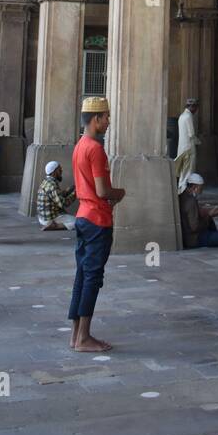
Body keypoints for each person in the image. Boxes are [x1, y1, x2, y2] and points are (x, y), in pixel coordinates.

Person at [68, 96, 125, 352]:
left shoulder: (80, 145)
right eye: (106, 117)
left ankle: (75, 336)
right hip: (97, 219)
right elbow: (102, 190)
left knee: (82, 275)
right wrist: (119, 193)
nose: (108, 122)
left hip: (82, 216)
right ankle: (84, 338)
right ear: (95, 119)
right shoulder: (96, 148)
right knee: (93, 278)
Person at [179, 173, 218, 248]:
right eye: (200, 188)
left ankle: (214, 235)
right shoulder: (191, 201)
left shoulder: (183, 196)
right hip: (195, 239)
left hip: (193, 236)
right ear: (195, 187)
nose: (201, 191)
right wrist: (208, 216)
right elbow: (194, 227)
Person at [36, 161, 77, 231]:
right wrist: (77, 193)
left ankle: (54, 224)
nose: (61, 171)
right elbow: (64, 204)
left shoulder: (46, 181)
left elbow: (58, 196)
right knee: (78, 223)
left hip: (42, 218)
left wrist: (72, 188)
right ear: (54, 172)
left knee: (71, 217)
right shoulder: (52, 185)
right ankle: (55, 226)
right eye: (60, 170)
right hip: (49, 219)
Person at [175, 98, 200, 195]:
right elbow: (191, 134)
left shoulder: (182, 116)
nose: (196, 111)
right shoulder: (188, 116)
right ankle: (186, 194)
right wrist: (198, 142)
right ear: (192, 107)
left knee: (183, 173)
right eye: (196, 108)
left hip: (182, 148)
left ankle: (181, 192)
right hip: (189, 149)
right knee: (189, 173)